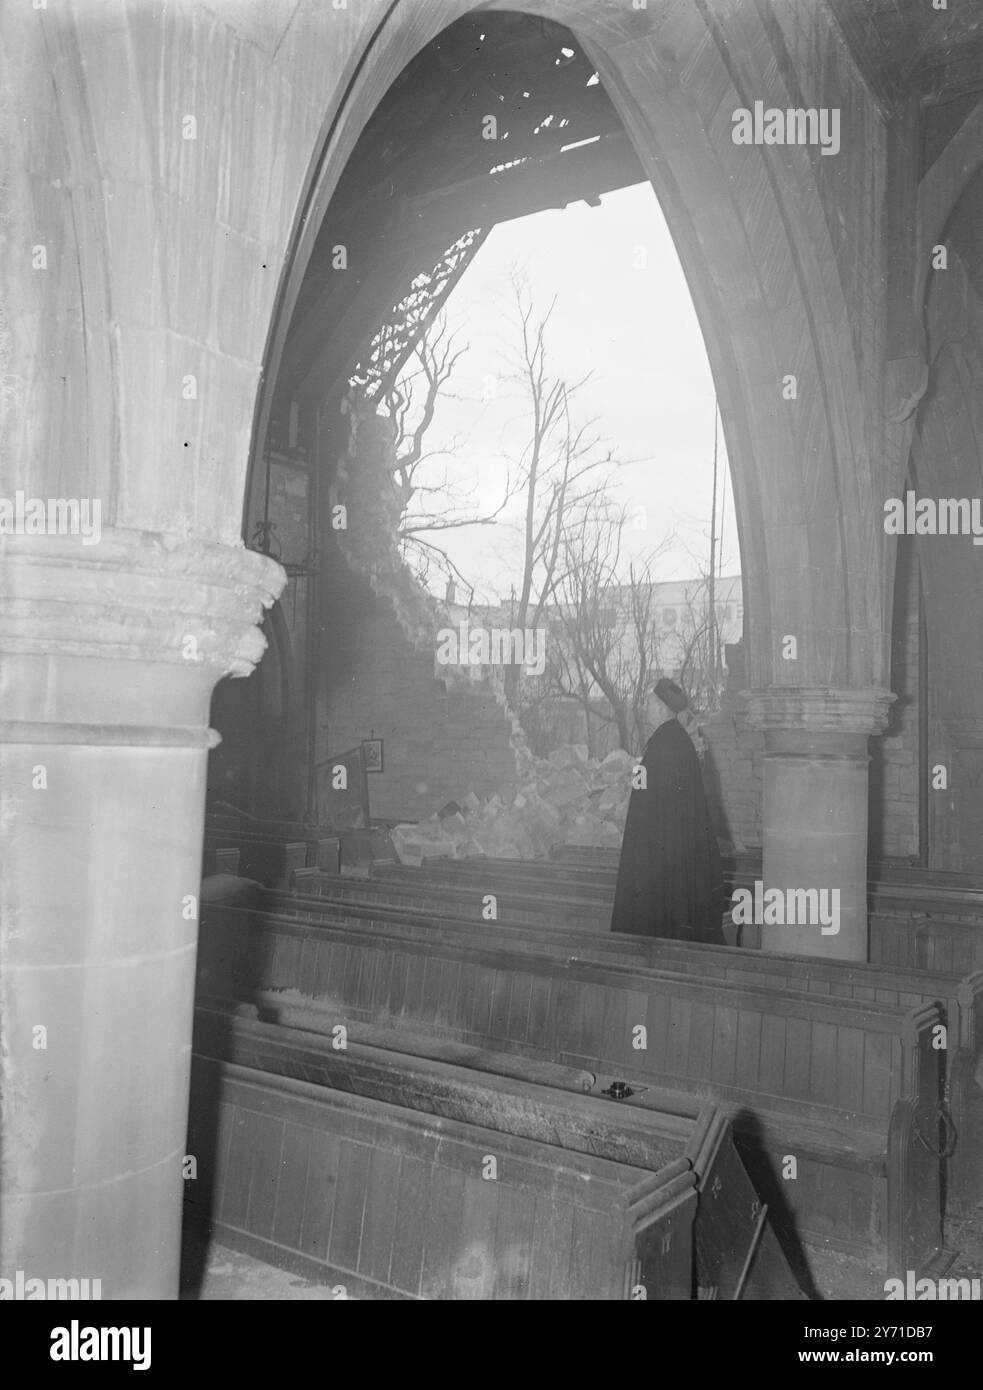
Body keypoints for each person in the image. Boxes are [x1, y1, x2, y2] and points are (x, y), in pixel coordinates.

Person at [610, 678, 725, 942]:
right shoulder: (675, 742)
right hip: (672, 862)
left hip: (661, 867)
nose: (645, 708)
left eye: (649, 703)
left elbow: (652, 816)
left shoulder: (664, 747)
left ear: (662, 709)